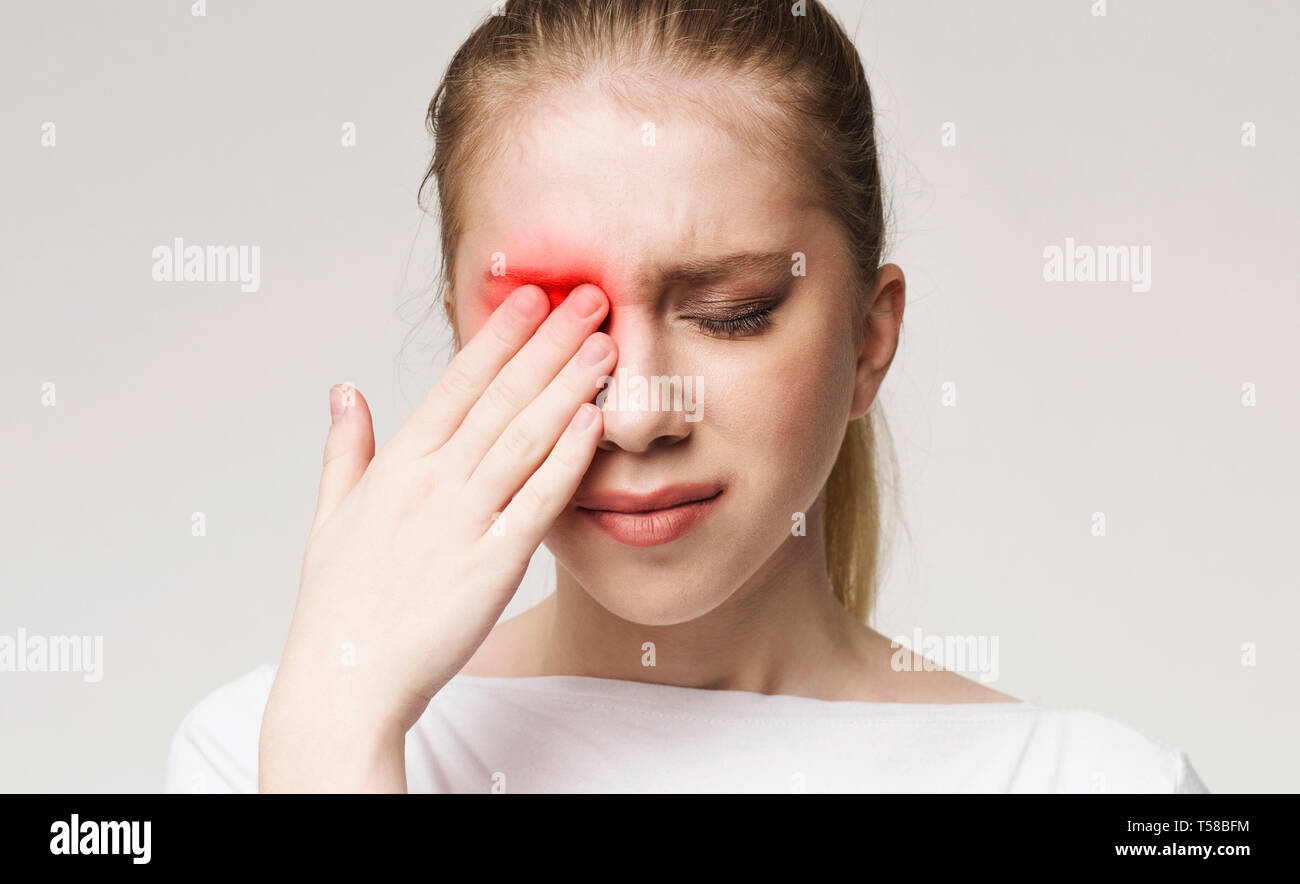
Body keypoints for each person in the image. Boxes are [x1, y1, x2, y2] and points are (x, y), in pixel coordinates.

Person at [165, 0, 1208, 794]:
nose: (634, 413)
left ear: (868, 340)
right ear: (462, 337)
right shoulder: (265, 743)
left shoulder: (1094, 784)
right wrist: (335, 734)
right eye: (557, 322)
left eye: (733, 309)